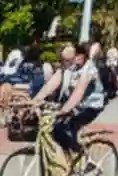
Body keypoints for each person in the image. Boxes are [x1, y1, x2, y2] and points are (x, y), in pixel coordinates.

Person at [30, 43, 105, 171]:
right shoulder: (68, 68)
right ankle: (71, 161)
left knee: (62, 128)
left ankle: (82, 157)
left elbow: (78, 93)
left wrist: (63, 110)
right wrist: (35, 101)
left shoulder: (89, 70)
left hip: (90, 107)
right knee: (57, 131)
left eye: (67, 60)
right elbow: (51, 85)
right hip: (74, 105)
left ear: (79, 57)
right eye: (62, 60)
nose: (64, 63)